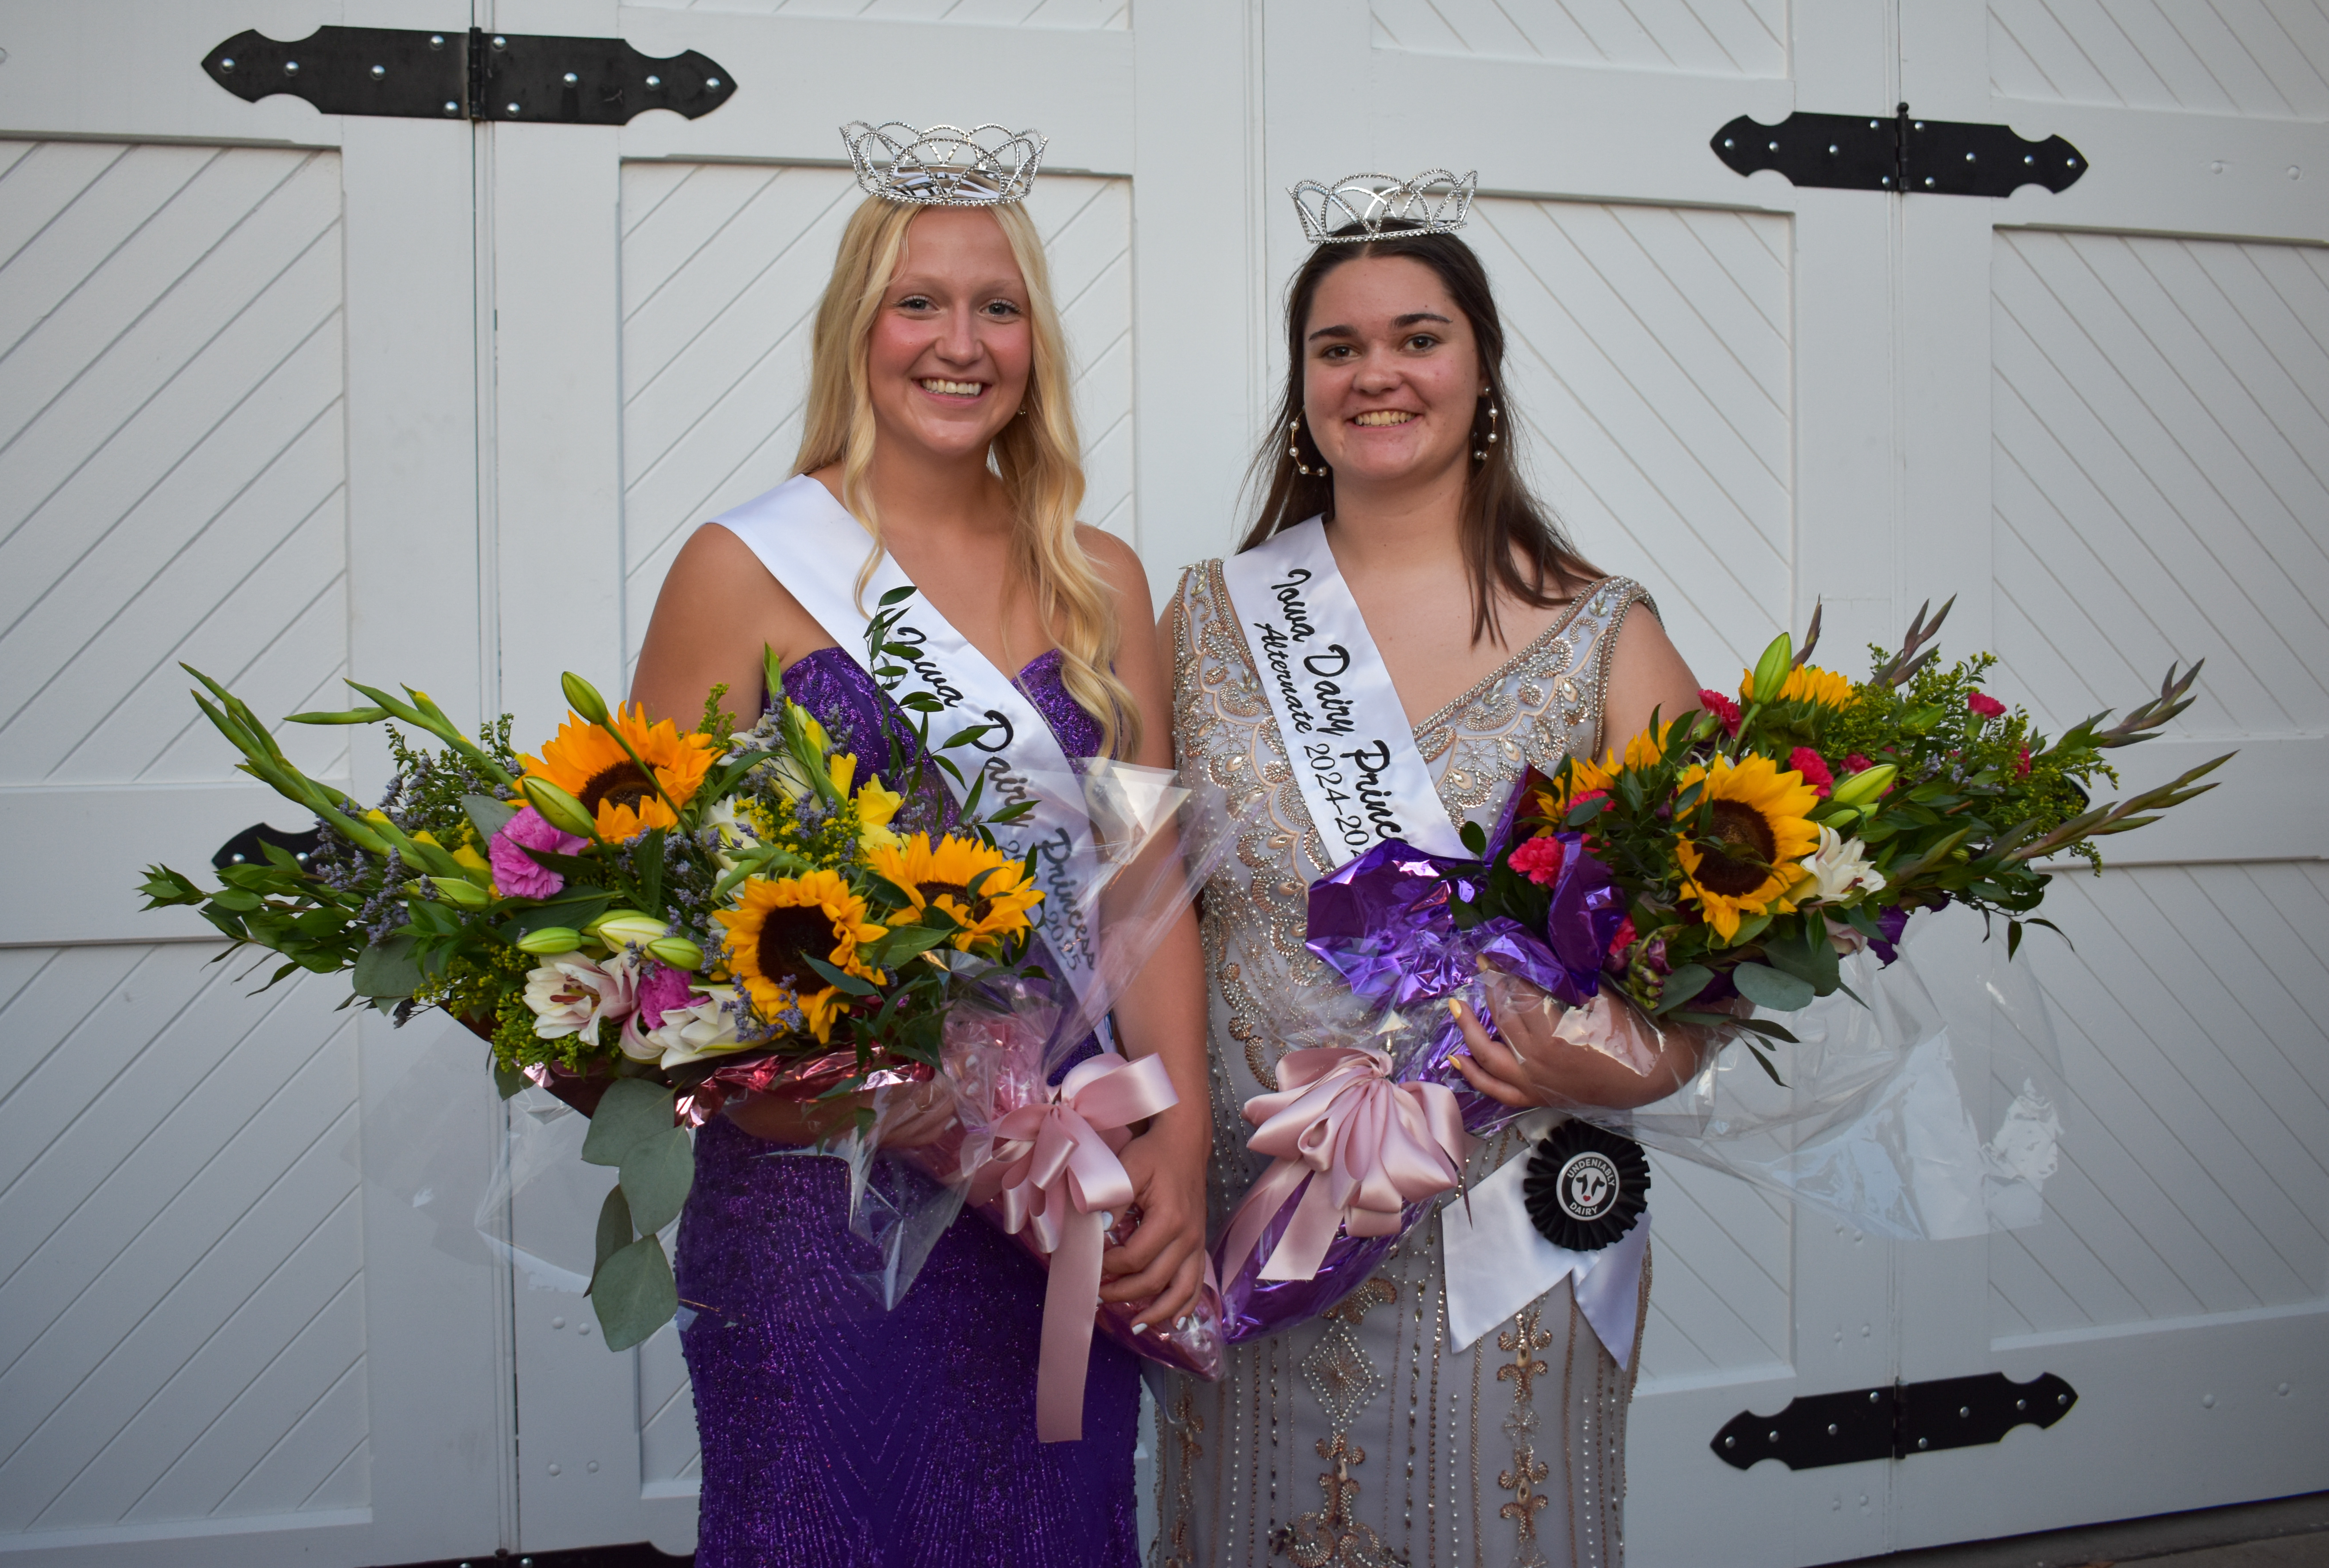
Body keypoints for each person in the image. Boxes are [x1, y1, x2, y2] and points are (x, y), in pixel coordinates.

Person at [628, 123, 1209, 1568]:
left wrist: (1185, 1139)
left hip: (1051, 1183)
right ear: (859, 332)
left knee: (1047, 1522)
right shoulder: (746, 568)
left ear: (1036, 344)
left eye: (998, 306)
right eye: (921, 302)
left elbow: (1144, 878)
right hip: (818, 1182)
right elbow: (651, 907)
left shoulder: (1100, 578)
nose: (962, 342)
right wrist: (843, 1084)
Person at [1154, 174, 1711, 1568]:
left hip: (1498, 1217)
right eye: (1337, 347)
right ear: (1301, 387)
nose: (1377, 374)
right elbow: (1135, 909)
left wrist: (1624, 1069)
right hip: (1257, 1221)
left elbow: (1717, 953)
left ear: (1483, 371)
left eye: (1419, 336)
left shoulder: (1602, 633)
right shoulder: (1212, 616)